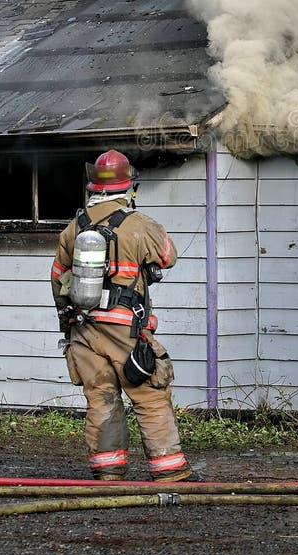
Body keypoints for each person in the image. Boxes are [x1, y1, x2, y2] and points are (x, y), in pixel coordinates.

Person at [50, 149, 199, 482]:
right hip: (125, 329)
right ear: (129, 187)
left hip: (84, 328)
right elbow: (168, 256)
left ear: (93, 187)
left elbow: (58, 277)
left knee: (101, 397)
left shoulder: (73, 229)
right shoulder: (139, 225)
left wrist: (67, 324)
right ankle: (170, 471)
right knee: (149, 392)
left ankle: (108, 471)